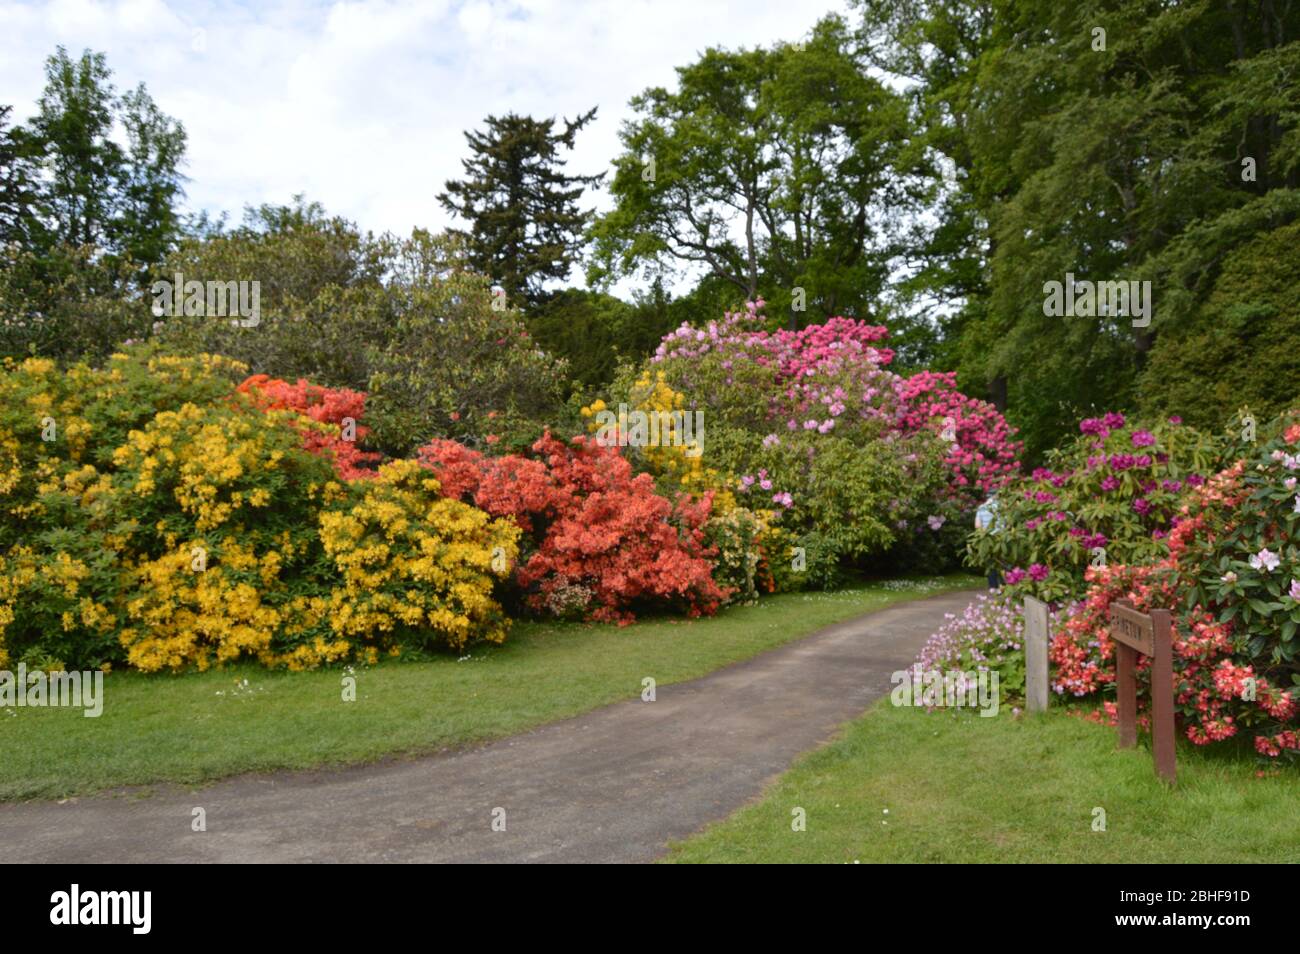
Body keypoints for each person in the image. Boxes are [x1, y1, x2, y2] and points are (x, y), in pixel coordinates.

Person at [974, 493, 1002, 589]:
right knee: (1002, 562)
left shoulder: (981, 507)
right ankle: (1004, 586)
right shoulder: (1002, 506)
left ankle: (993, 588)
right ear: (996, 496)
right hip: (1001, 538)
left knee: (990, 563)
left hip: (987, 539)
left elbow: (977, 525)